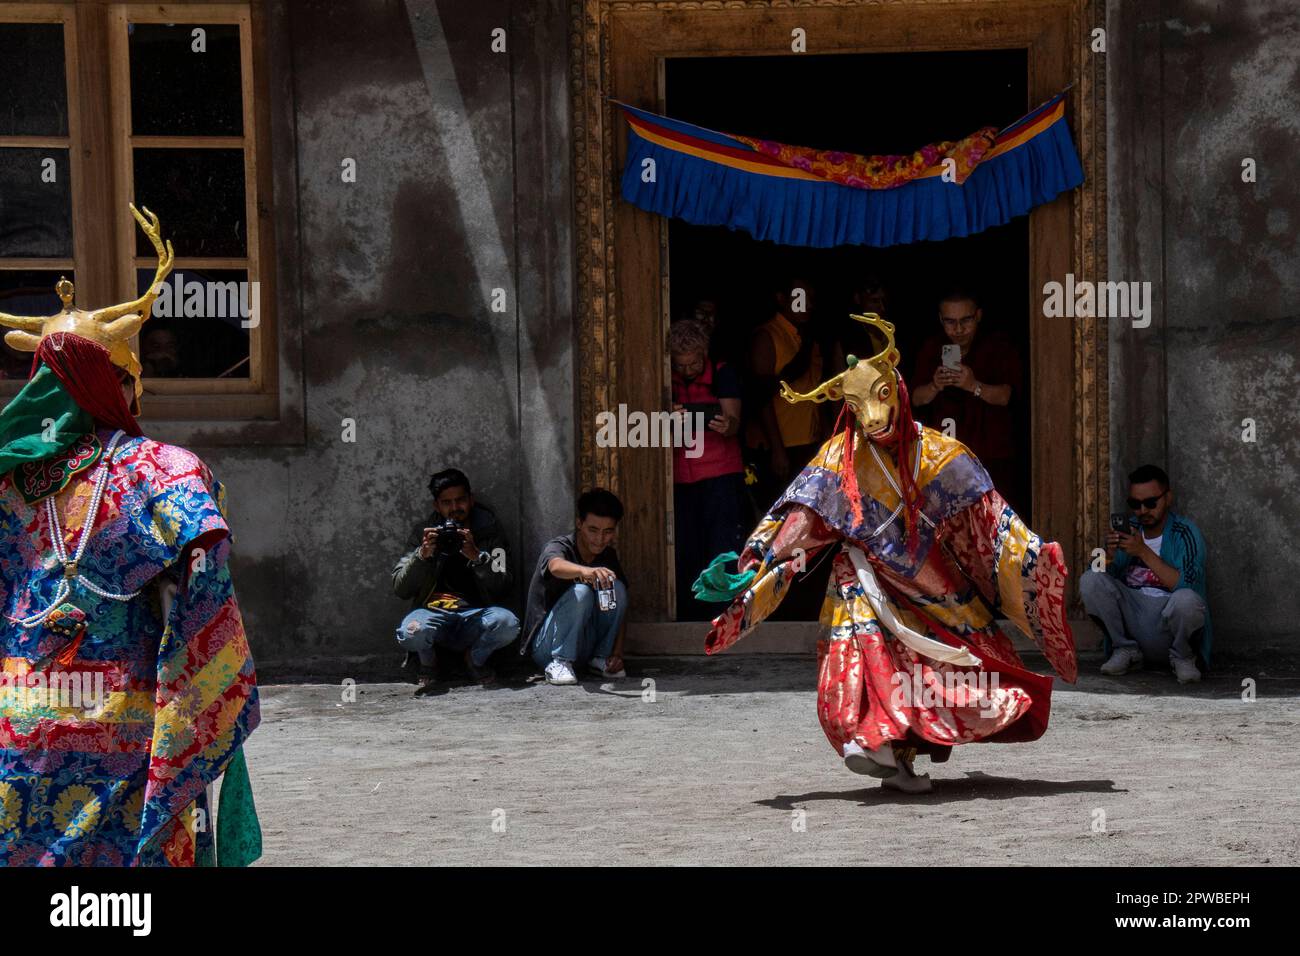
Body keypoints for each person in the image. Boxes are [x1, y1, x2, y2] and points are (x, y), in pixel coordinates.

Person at [697, 312, 1076, 794]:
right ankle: (870, 737)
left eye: (877, 398)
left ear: (895, 393)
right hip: (861, 574)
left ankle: (898, 757)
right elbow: (801, 516)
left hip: (928, 581)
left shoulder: (939, 454)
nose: (871, 416)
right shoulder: (837, 458)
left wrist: (1032, 554)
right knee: (862, 651)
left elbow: (989, 520)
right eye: (857, 405)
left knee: (937, 668)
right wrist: (757, 558)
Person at [0, 205, 260, 865]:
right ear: (124, 386)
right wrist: (202, 713)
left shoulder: (6, 487)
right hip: (127, 729)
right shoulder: (165, 473)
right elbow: (208, 615)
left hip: (20, 727)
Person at [1080, 464, 1210, 683]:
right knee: (1090, 580)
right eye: (1135, 504)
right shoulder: (1129, 529)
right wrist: (1108, 554)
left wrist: (1143, 551)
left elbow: (1189, 585)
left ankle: (1183, 657)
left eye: (1150, 503)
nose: (1143, 511)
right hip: (1134, 617)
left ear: (1167, 498)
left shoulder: (1185, 532)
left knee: (1187, 599)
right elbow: (1093, 575)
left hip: (1169, 620)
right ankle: (1125, 650)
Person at [393, 468, 518, 693]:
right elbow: (401, 588)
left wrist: (477, 557)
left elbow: (504, 585)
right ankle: (428, 663)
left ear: (471, 500)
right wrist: (422, 556)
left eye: (460, 500)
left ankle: (475, 659)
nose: (454, 509)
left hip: (475, 618)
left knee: (508, 624)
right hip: (433, 614)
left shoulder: (489, 533)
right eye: (446, 503)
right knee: (410, 632)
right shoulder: (425, 534)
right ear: (436, 506)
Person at [911, 285, 1025, 512]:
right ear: (940, 319)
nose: (958, 329)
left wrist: (974, 386)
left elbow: (1007, 396)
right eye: (950, 322)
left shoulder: (997, 346)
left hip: (991, 455)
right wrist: (935, 385)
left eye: (966, 320)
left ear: (979, 316)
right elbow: (915, 399)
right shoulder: (933, 347)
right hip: (946, 458)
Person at [669, 319, 747, 621]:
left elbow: (733, 420)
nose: (688, 370)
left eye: (694, 363)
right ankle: (689, 617)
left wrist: (727, 425)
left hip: (720, 474)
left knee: (724, 548)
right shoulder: (664, 377)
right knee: (686, 546)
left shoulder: (722, 373)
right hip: (678, 476)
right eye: (681, 365)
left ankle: (725, 616)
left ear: (705, 355)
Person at [522, 488, 628, 685]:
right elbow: (555, 566)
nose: (600, 539)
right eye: (593, 530)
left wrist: (617, 653)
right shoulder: (560, 546)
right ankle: (560, 662)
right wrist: (585, 572)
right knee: (582, 592)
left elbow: (619, 610)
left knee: (617, 588)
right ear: (579, 524)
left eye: (608, 532)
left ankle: (600, 659)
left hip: (584, 647)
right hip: (546, 646)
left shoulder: (608, 556)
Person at [745, 275, 827, 497]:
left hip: (808, 440)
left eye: (811, 297)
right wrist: (777, 449)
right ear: (781, 299)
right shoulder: (767, 336)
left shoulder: (808, 338)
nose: (808, 303)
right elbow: (762, 396)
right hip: (781, 445)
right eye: (800, 297)